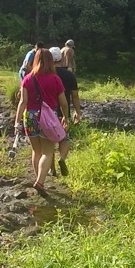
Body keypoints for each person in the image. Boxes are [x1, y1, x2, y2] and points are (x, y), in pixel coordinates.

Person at [14, 48, 69, 192]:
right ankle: (40, 182)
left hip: (30, 117)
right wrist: (66, 117)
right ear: (51, 61)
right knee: (48, 152)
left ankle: (39, 177)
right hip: (47, 118)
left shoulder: (27, 78)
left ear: (35, 60)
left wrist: (17, 121)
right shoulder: (55, 79)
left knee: (36, 151)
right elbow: (63, 102)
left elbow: (22, 102)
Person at [51, 46, 80, 175]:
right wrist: (78, 112)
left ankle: (52, 170)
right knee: (65, 139)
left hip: (48, 114)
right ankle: (62, 158)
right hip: (63, 112)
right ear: (61, 59)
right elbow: (74, 96)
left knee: (49, 143)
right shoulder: (69, 75)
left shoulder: (46, 75)